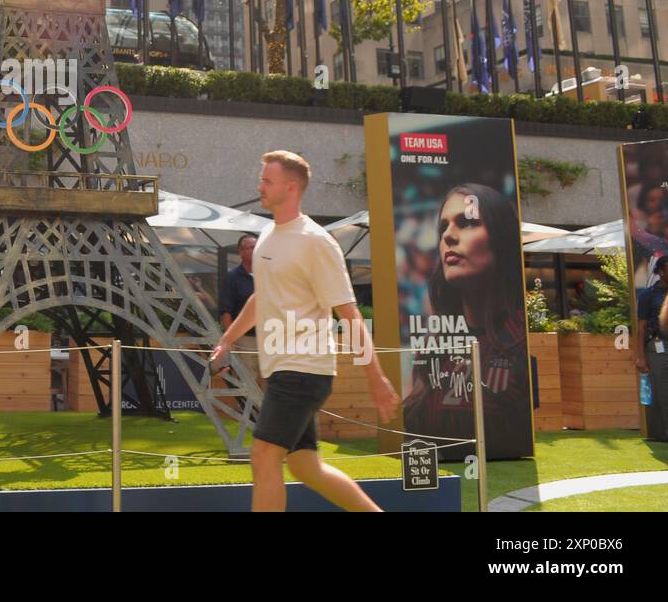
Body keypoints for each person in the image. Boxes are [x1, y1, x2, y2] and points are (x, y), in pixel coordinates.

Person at [210, 151, 399, 512]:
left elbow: (349, 314)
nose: (259, 186)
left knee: (264, 456)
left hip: (303, 370)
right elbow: (261, 299)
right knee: (304, 466)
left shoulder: (316, 242)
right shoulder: (267, 236)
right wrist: (227, 340)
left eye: (267, 181)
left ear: (291, 187)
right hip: (286, 370)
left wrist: (376, 378)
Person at [403, 183, 530, 459]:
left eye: (467, 223)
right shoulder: (432, 347)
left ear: (500, 237)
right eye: (443, 228)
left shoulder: (519, 340)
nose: (449, 236)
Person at [637, 254, 668, 445]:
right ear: (660, 272)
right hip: (659, 345)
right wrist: (641, 357)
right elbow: (641, 327)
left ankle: (662, 433)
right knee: (667, 389)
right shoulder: (648, 295)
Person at [217, 234, 258, 379]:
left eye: (257, 246)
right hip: (244, 339)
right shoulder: (232, 277)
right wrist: (231, 339)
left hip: (270, 336)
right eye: (251, 247)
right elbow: (225, 311)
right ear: (240, 252)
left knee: (271, 382)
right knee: (248, 380)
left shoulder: (269, 274)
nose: (256, 250)